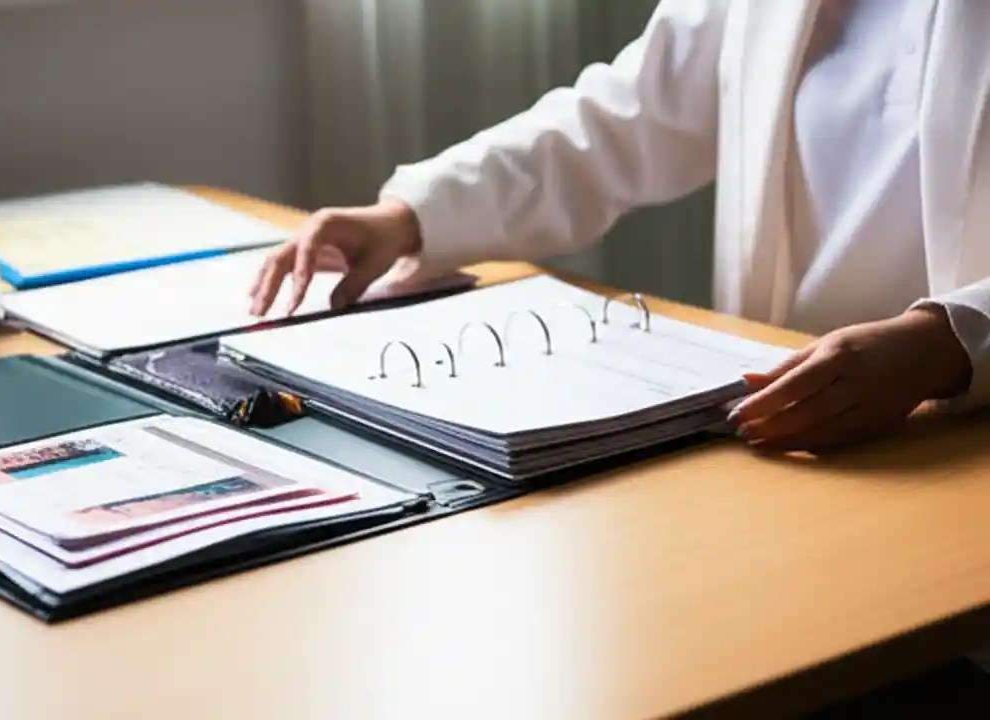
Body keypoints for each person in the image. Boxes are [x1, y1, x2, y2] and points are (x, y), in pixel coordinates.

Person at [248, 0, 990, 453]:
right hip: (796, 425)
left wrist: (955, 342)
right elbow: (626, 118)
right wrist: (416, 214)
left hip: (956, 442)